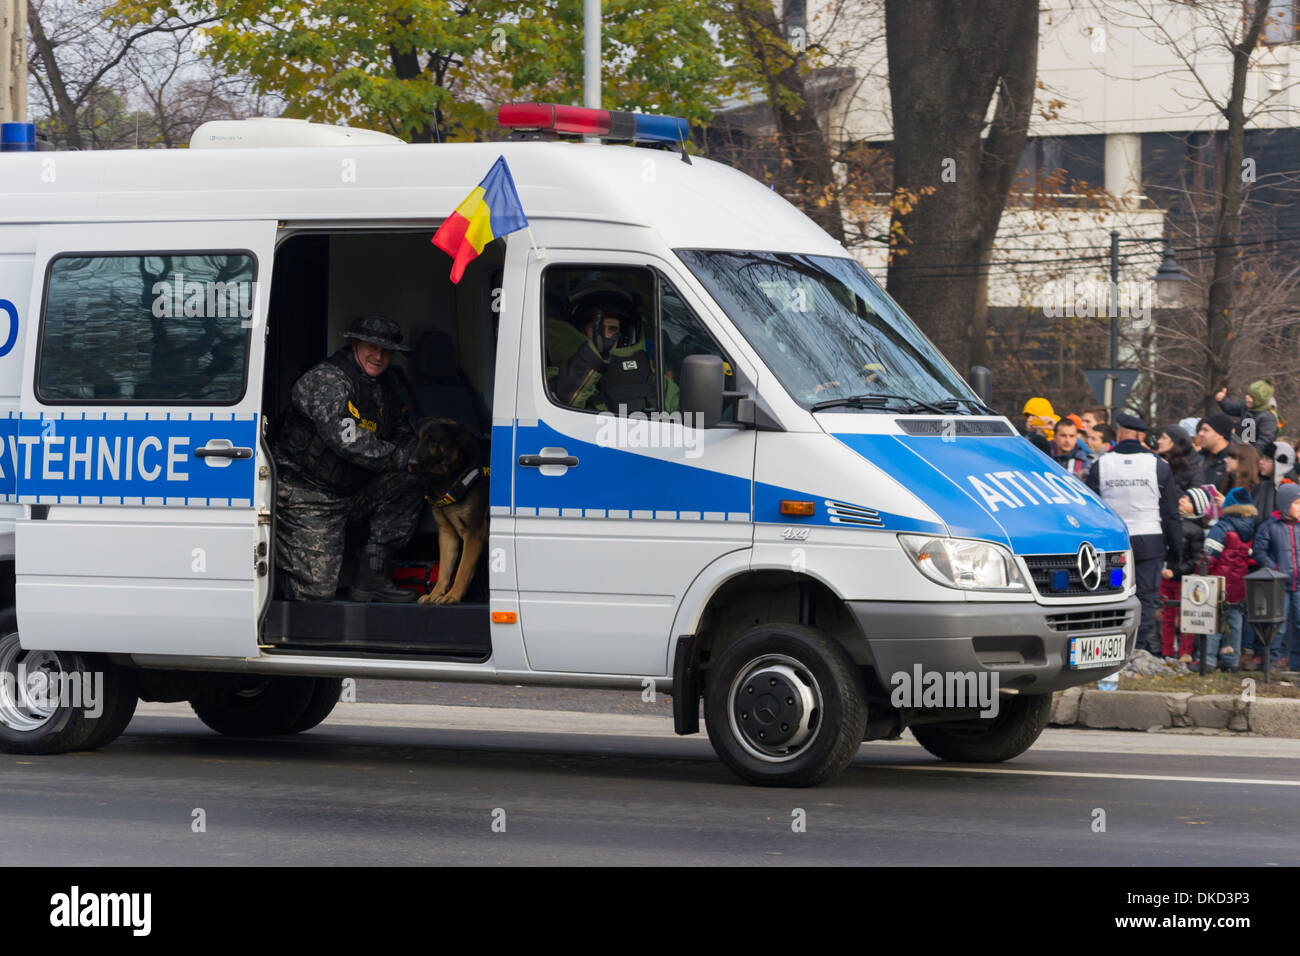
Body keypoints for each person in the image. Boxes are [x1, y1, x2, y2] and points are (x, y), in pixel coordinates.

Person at [273, 315, 423, 604]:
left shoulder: (386, 387)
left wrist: (415, 457)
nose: (378, 356)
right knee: (314, 597)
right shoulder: (327, 379)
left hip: (353, 491)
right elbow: (345, 438)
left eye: (386, 351)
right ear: (355, 343)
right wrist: (397, 456)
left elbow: (403, 433)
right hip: (307, 495)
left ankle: (372, 577)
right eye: (371, 347)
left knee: (409, 481)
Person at [1086, 413, 1183, 657]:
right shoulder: (1158, 465)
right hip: (1149, 537)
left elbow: (1090, 508)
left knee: (1109, 594)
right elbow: (1171, 512)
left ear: (1118, 434)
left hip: (1111, 541)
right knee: (1146, 596)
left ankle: (1109, 644)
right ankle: (1139, 647)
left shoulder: (1102, 463)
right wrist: (1176, 551)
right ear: (1141, 436)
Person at [548, 285, 669, 413]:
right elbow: (564, 405)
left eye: (612, 329)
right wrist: (592, 357)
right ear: (581, 331)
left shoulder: (653, 374)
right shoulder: (561, 371)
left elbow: (685, 409)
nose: (605, 336)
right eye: (597, 329)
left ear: (624, 336)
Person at [1202, 486, 1258, 671]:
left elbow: (1209, 556)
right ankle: (1232, 661)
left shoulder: (1222, 526)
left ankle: (1208, 660)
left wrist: (1201, 573)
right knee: (1235, 621)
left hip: (1219, 581)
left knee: (1215, 620)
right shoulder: (1250, 526)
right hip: (1239, 582)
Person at [1250, 483, 1300, 671]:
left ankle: (1296, 662)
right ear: (1286, 505)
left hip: (1299, 583)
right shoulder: (1269, 527)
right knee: (1278, 625)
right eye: (1297, 503)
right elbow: (1259, 553)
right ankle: (1271, 660)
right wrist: (1276, 569)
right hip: (1279, 584)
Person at [1216, 381, 1278, 452]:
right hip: (1240, 447)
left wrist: (1251, 453)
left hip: (1253, 456)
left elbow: (1264, 441)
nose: (1247, 397)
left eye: (1251, 396)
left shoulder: (1268, 418)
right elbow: (1231, 408)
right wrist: (1222, 400)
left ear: (1259, 401)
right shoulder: (1246, 407)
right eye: (1247, 394)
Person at [1155, 423, 1201, 492]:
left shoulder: (1194, 470)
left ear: (1175, 442)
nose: (1159, 441)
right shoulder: (1159, 463)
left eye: (1164, 438)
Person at [1195, 413, 1234, 491]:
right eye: (1201, 430)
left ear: (1220, 435)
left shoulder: (1234, 461)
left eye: (1206, 430)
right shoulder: (1197, 458)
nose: (1200, 433)